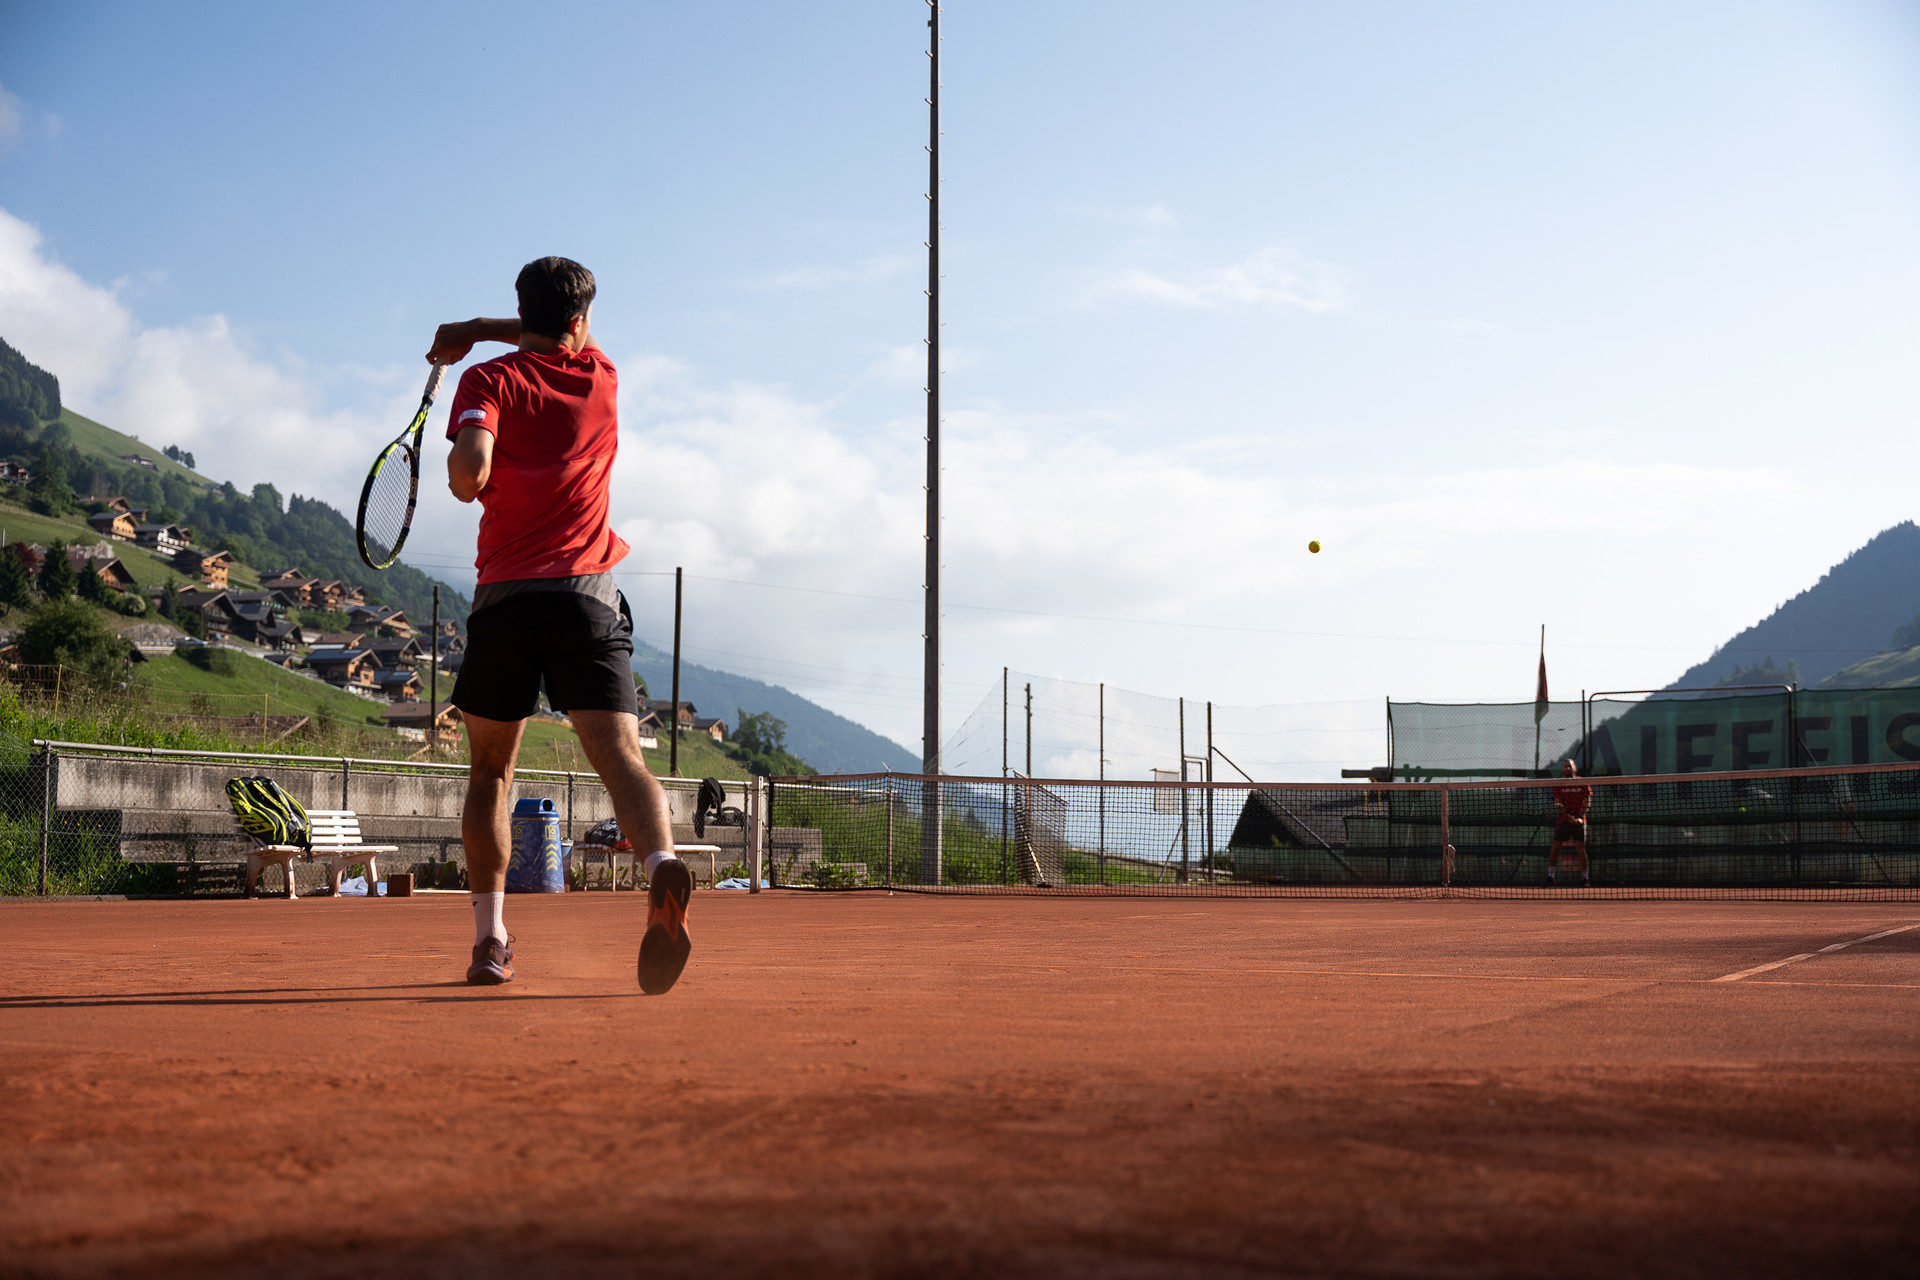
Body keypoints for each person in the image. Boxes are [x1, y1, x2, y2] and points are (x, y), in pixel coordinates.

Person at [426, 256, 692, 993]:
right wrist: (480, 329)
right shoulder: (600, 374)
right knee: (621, 761)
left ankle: (490, 941)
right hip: (586, 597)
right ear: (581, 322)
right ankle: (661, 867)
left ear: (523, 311)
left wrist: (474, 355)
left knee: (491, 771)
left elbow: (469, 472)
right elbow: (560, 331)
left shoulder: (488, 382)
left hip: (507, 597)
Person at [1546, 758, 1592, 887]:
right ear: (1562, 769)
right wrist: (1568, 816)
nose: (1567, 768)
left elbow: (1587, 801)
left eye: (1570, 766)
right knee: (1555, 849)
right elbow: (1558, 802)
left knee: (1581, 850)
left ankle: (1585, 878)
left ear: (1574, 768)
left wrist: (1580, 817)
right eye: (1565, 766)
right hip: (1563, 821)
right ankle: (1550, 877)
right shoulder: (1559, 783)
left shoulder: (1583, 782)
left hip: (1579, 821)